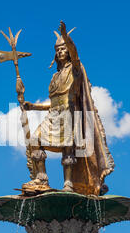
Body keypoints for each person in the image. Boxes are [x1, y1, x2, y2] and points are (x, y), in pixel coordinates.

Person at [22, 21, 114, 196]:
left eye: (63, 49)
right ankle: (42, 178)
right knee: (35, 140)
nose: (60, 52)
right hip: (53, 114)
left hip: (69, 114)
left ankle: (68, 184)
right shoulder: (55, 76)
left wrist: (66, 37)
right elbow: (54, 102)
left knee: (68, 148)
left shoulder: (75, 70)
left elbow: (75, 53)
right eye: (58, 50)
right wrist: (32, 106)